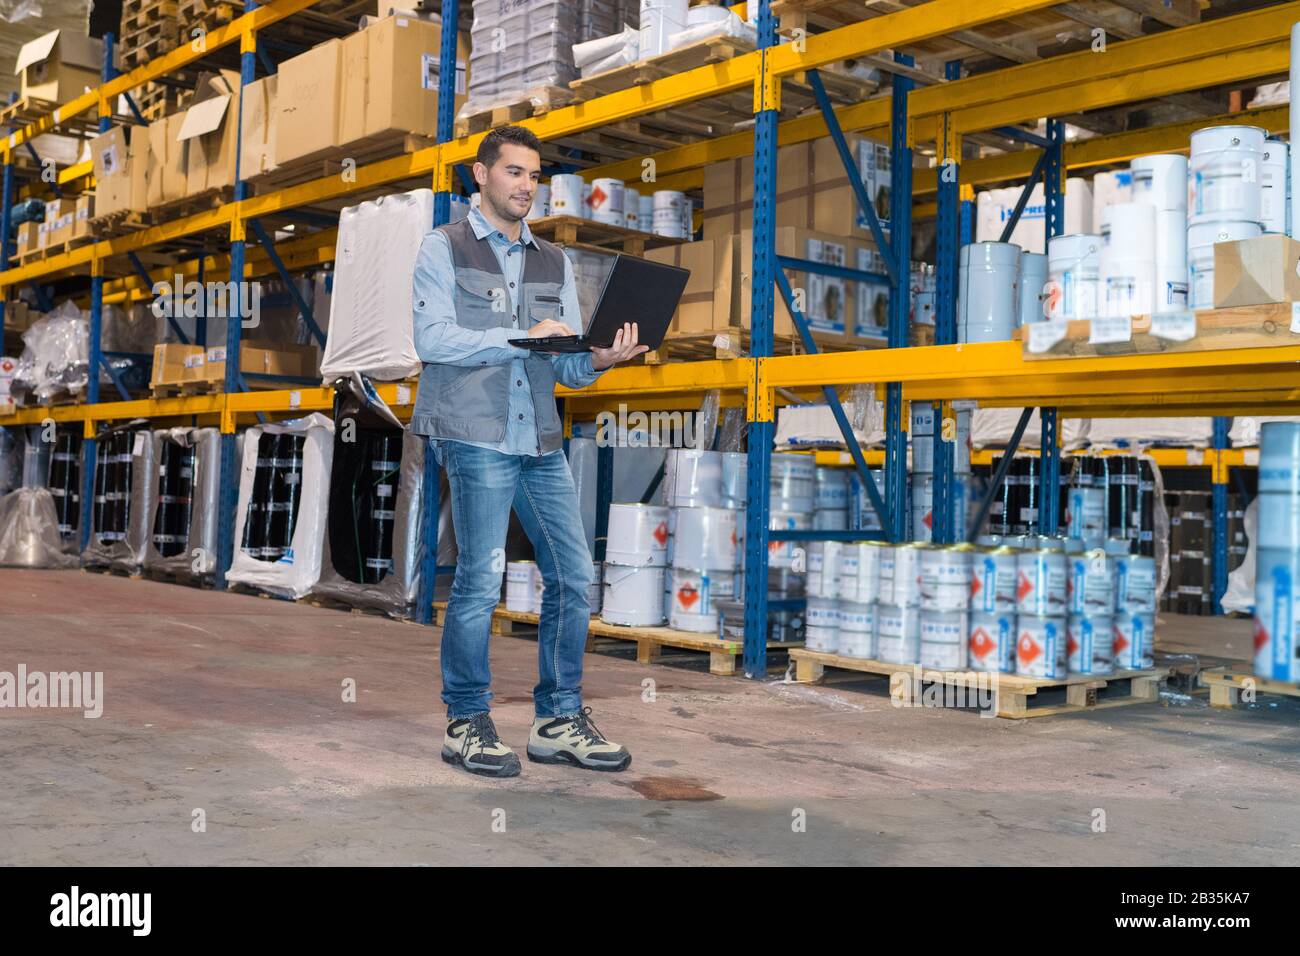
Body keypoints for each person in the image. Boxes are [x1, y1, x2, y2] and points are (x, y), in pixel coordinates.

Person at [410, 125, 648, 778]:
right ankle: (466, 720)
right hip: (475, 432)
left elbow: (566, 370)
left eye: (534, 175)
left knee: (574, 575)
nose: (526, 186)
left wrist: (598, 359)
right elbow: (431, 339)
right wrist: (519, 337)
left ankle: (559, 718)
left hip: (539, 438)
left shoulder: (555, 263)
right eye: (513, 172)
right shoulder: (444, 247)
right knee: (482, 578)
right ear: (481, 175)